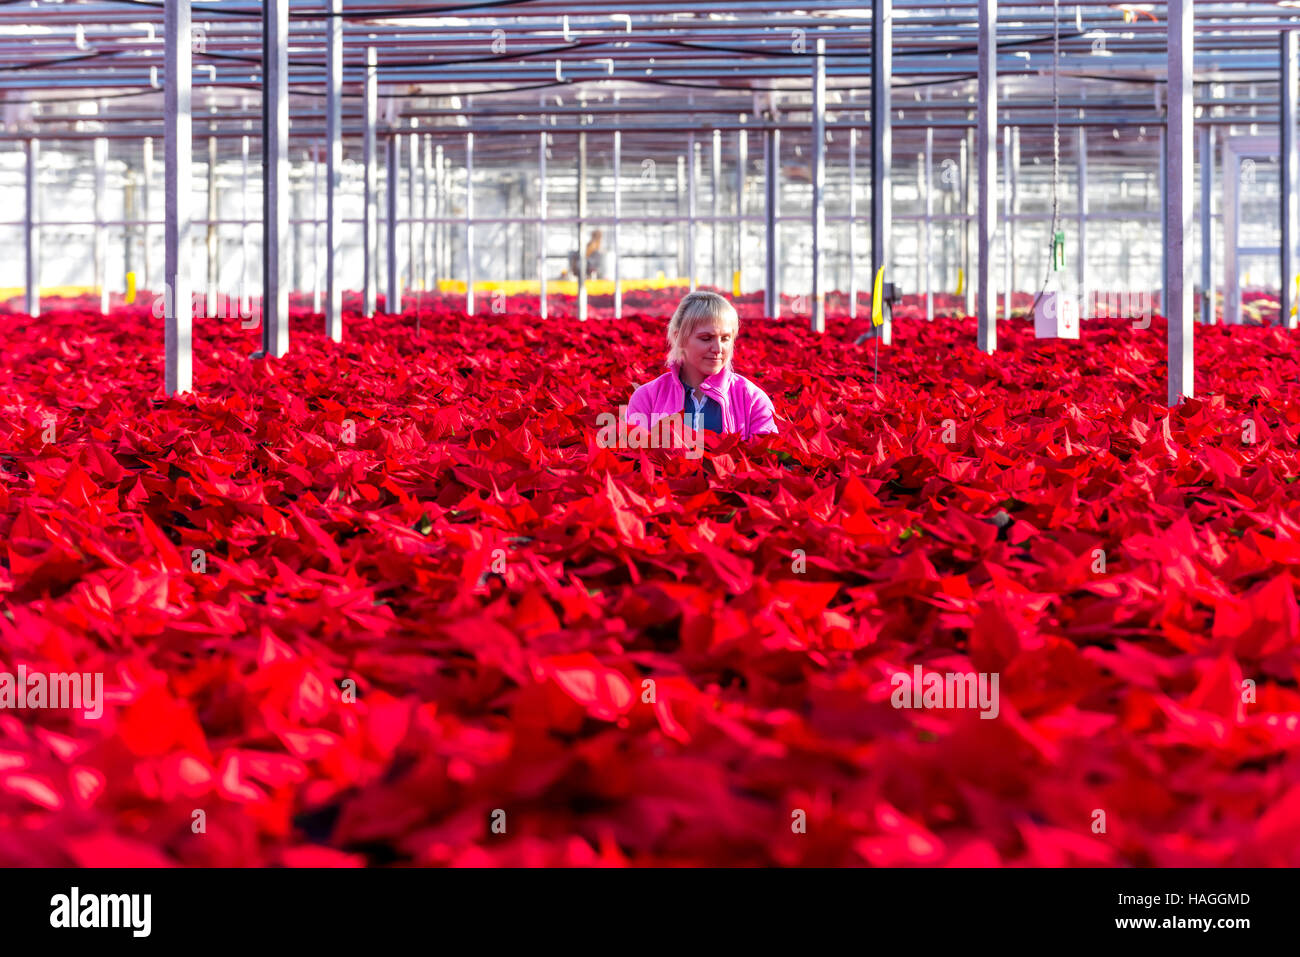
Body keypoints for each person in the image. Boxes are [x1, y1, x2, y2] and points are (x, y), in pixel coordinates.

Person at [625, 290, 778, 440]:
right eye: (706, 338)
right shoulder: (647, 398)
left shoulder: (752, 400)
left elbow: (766, 452)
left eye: (725, 338)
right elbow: (636, 451)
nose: (718, 349)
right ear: (679, 338)